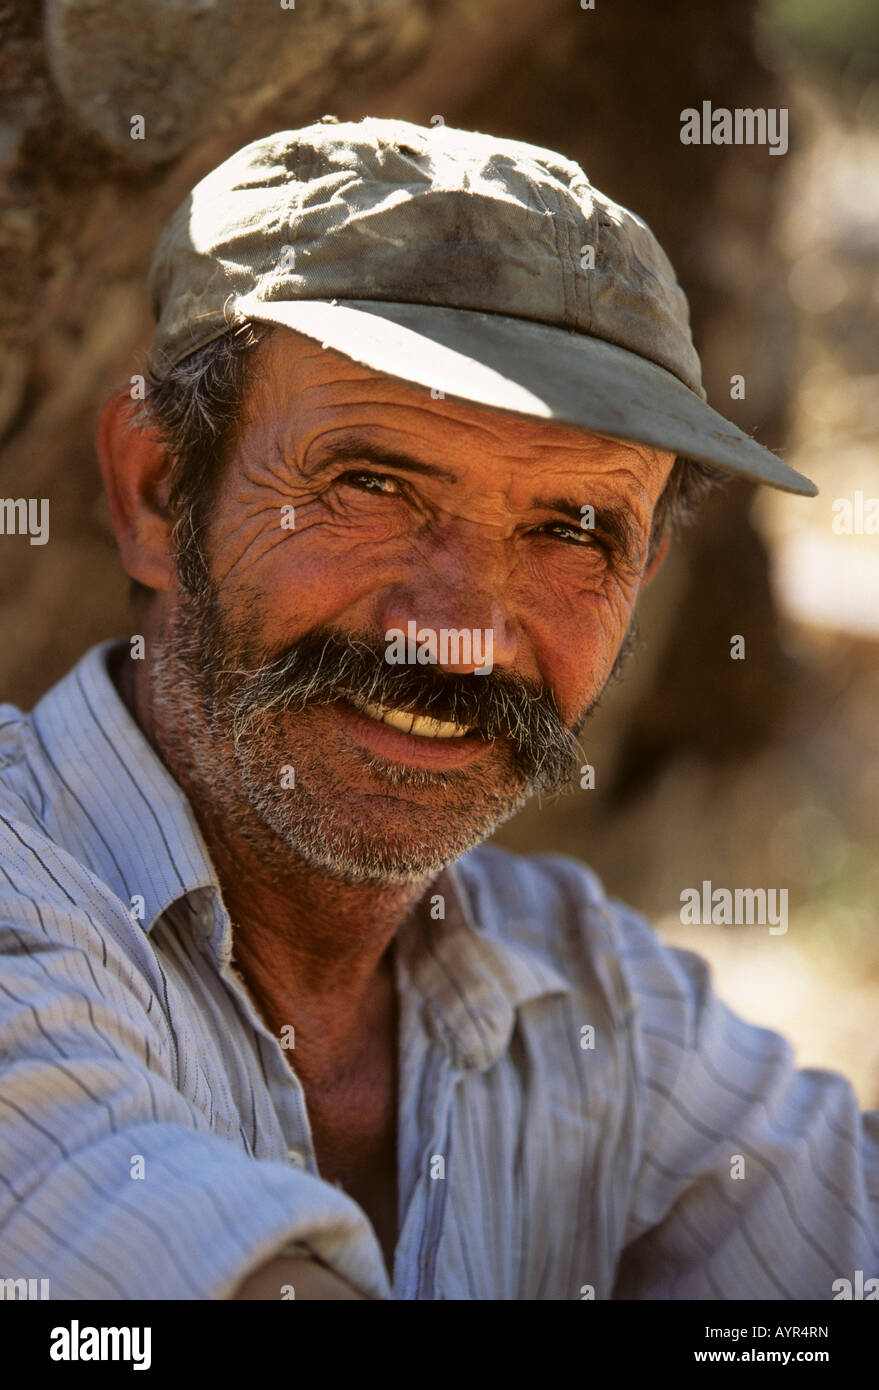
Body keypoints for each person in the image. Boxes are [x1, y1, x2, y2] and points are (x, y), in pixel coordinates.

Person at [0, 116, 875, 1302]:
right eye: (372, 483)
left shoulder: (586, 991)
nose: (462, 627)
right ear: (158, 491)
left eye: (573, 529)